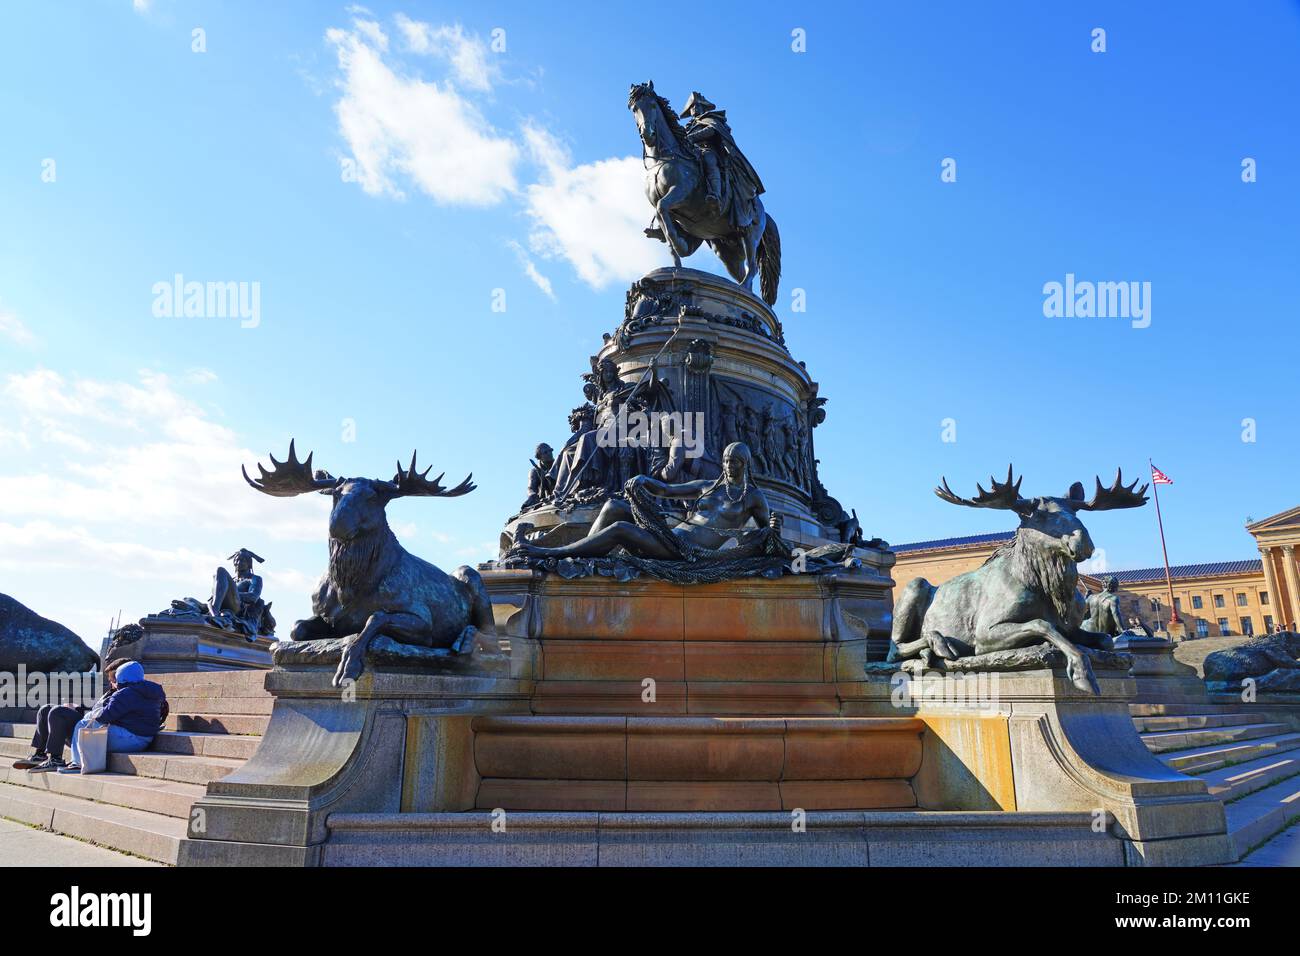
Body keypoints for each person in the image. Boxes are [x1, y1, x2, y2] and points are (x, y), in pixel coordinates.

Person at [43, 660, 165, 775]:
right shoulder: (153, 692)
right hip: (145, 739)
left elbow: (105, 716)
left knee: (83, 725)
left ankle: (78, 763)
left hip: (129, 739)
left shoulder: (124, 693)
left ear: (121, 677)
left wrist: (91, 714)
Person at [15, 661, 120, 772]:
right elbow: (96, 709)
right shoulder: (111, 692)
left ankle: (56, 759)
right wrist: (77, 708)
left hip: (93, 732)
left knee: (58, 712)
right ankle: (40, 754)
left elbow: (103, 715)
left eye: (112, 679)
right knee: (45, 709)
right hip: (87, 724)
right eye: (109, 679)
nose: (110, 681)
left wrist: (77, 710)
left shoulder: (122, 694)